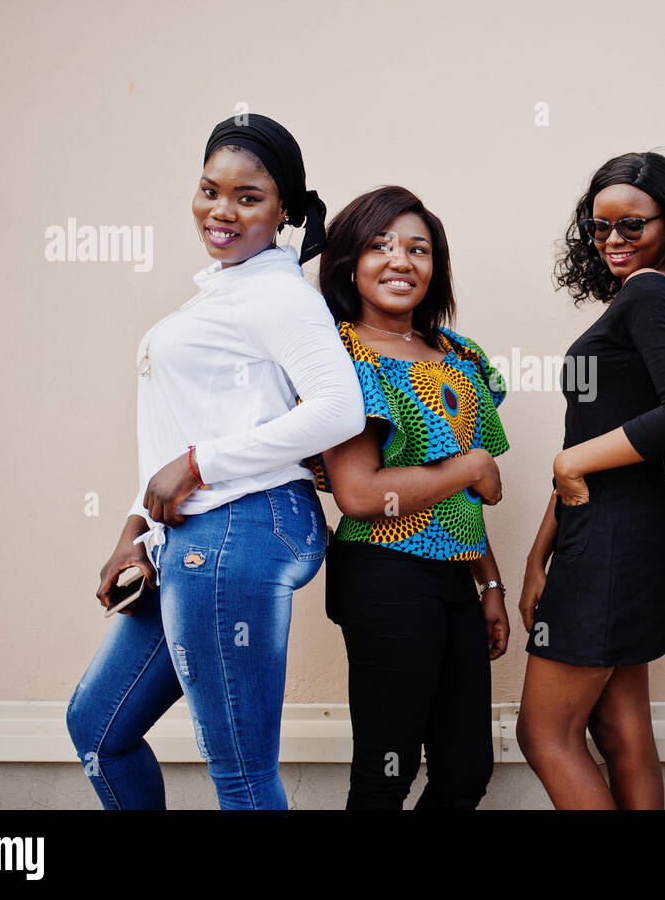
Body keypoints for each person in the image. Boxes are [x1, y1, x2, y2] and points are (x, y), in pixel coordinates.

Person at [66, 114, 365, 810]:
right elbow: (184, 427)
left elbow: (338, 409)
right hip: (192, 536)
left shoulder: (279, 294)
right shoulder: (225, 293)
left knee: (240, 772)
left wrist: (199, 463)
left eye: (248, 196)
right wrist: (134, 526)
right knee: (97, 729)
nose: (221, 210)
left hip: (246, 524)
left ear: (285, 208)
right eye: (209, 189)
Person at [516, 151, 665, 809]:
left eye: (632, 224)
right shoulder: (647, 297)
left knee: (544, 733)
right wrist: (541, 548)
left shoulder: (651, 292)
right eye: (598, 228)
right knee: (620, 729)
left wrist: (569, 467)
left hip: (611, 537)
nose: (613, 241)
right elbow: (587, 442)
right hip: (618, 530)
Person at [315, 185, 510, 810]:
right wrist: (472, 465)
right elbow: (359, 493)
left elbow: (472, 500)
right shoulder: (340, 355)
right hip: (383, 573)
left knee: (466, 771)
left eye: (418, 250)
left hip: (455, 577)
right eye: (380, 246)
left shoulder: (457, 355)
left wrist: (489, 585)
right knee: (386, 772)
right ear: (349, 262)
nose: (401, 261)